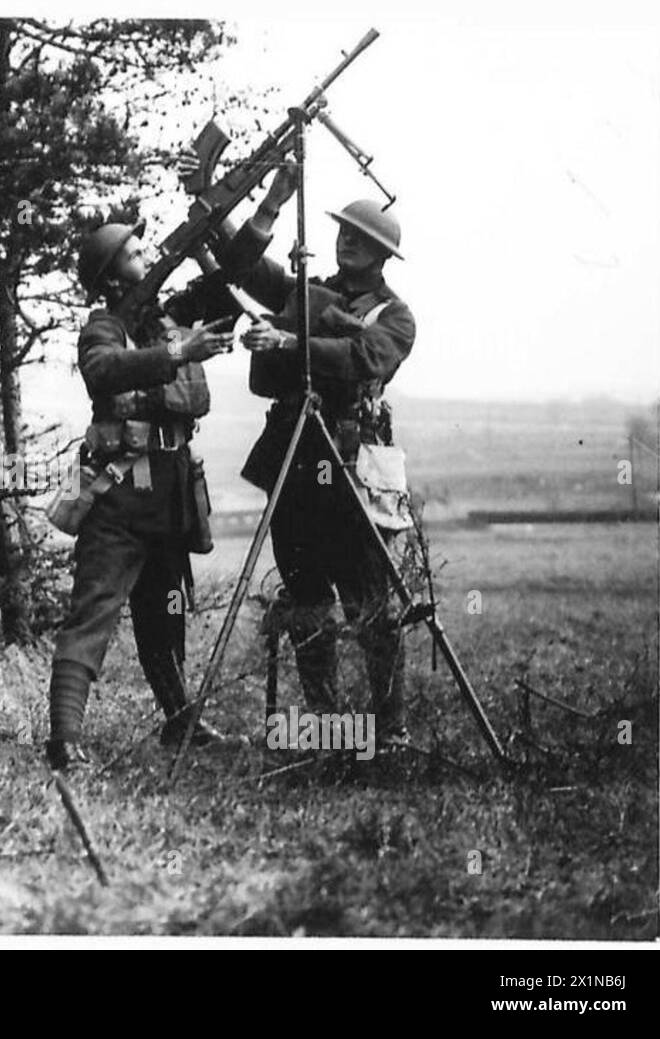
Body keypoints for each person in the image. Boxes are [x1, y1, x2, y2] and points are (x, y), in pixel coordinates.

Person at [191, 158, 417, 747]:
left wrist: (291, 339)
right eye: (343, 232)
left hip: (350, 464)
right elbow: (243, 266)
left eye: (360, 240)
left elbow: (367, 358)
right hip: (294, 457)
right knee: (306, 593)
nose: (346, 244)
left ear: (381, 255)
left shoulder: (394, 314)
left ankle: (387, 729)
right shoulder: (309, 291)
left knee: (370, 600)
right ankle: (325, 724)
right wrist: (250, 203)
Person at [44, 219, 238, 771]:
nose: (146, 256)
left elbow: (230, 291)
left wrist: (229, 233)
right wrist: (180, 352)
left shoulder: (165, 317)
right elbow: (102, 370)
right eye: (133, 253)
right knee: (93, 614)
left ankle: (180, 721)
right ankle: (64, 740)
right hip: (120, 494)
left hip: (171, 494)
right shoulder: (104, 325)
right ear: (110, 278)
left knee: (165, 613)